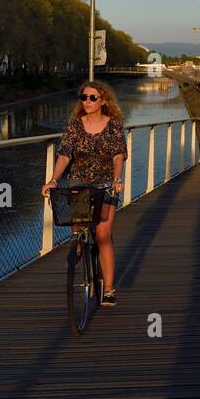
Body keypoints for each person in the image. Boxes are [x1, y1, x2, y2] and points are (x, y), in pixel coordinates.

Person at [41, 81, 127, 307]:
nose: (87, 101)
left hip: (107, 184)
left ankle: (108, 289)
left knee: (102, 235)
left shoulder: (114, 126)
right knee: (78, 227)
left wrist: (117, 178)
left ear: (103, 101)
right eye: (84, 97)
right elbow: (65, 156)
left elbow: (118, 155)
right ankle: (79, 244)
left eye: (92, 98)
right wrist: (53, 179)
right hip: (79, 183)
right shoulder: (74, 126)